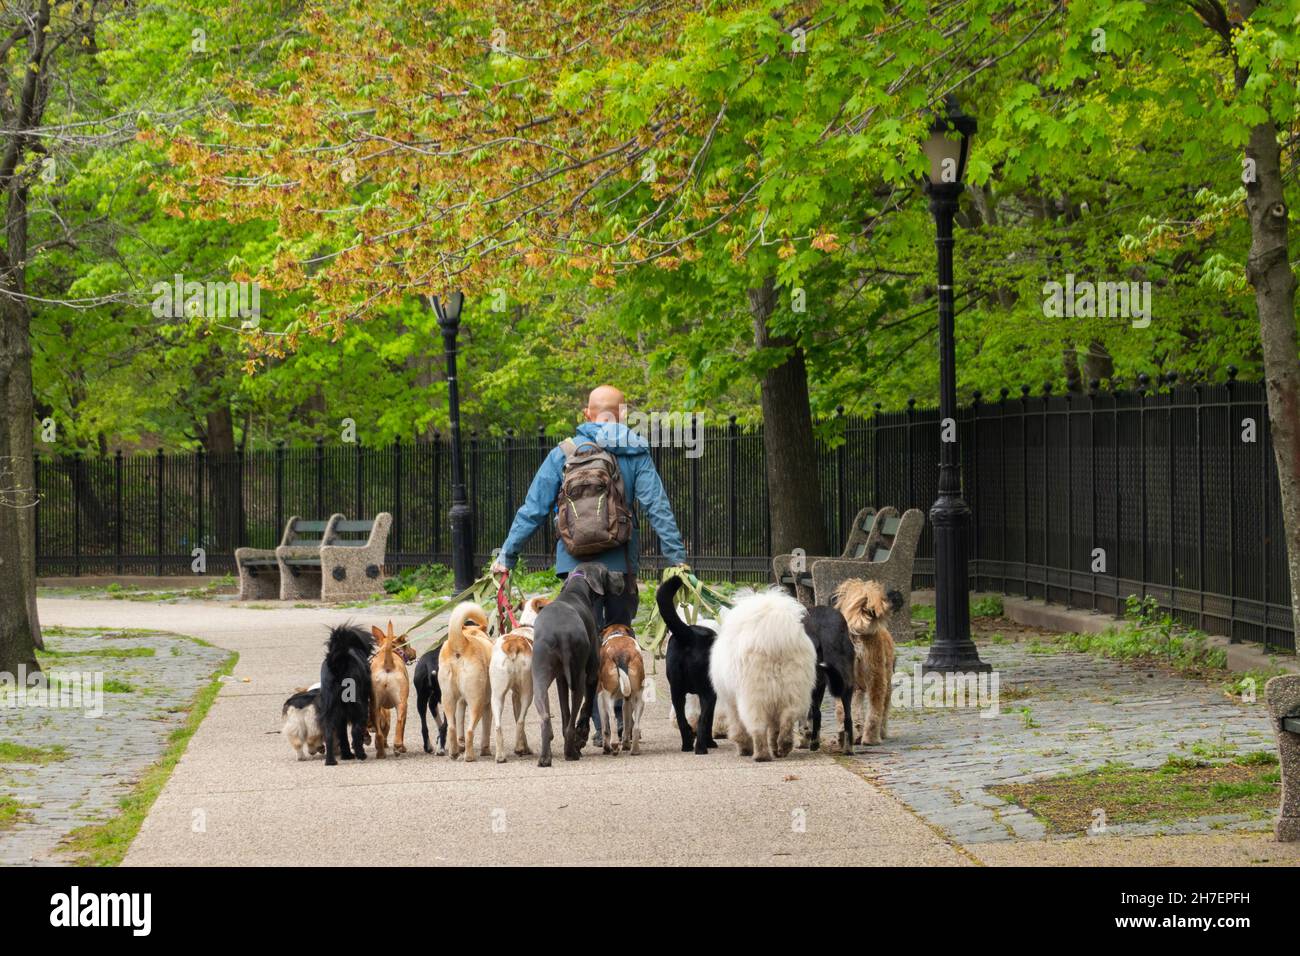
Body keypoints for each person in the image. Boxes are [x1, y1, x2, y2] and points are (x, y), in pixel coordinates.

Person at [491, 385, 688, 745]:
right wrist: (676, 559)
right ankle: (616, 722)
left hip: (575, 572)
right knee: (616, 641)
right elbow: (658, 508)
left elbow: (532, 509)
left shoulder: (564, 453)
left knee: (582, 646)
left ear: (586, 415)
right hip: (620, 568)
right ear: (623, 414)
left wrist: (507, 556)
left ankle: (593, 724)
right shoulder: (634, 453)